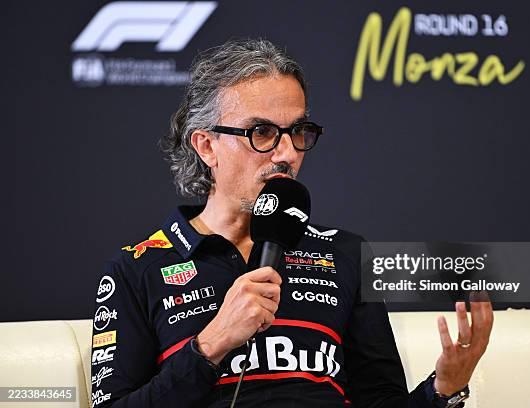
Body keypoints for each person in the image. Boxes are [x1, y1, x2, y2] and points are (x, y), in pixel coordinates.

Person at [90, 39, 493, 408]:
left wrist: (444, 389)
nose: (286, 153)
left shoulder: (346, 254)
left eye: (298, 131)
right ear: (207, 145)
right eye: (262, 132)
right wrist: (210, 345)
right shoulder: (136, 269)